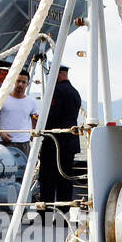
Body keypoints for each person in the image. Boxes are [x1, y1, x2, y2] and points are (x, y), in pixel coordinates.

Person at [38, 65, 82, 204]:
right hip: (70, 142)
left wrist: (39, 127)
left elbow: (52, 115)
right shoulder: (75, 93)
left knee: (47, 178)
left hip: (54, 142)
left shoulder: (56, 91)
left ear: (57, 75)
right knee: (65, 178)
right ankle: (64, 212)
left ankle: (46, 214)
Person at [0, 69, 40, 154]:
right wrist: (1, 134)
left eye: (23, 82)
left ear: (27, 84)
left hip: (23, 143)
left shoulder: (32, 102)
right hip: (3, 142)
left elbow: (35, 119)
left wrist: (32, 134)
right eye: (18, 81)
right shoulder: (2, 98)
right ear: (14, 82)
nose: (20, 84)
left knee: (24, 167)